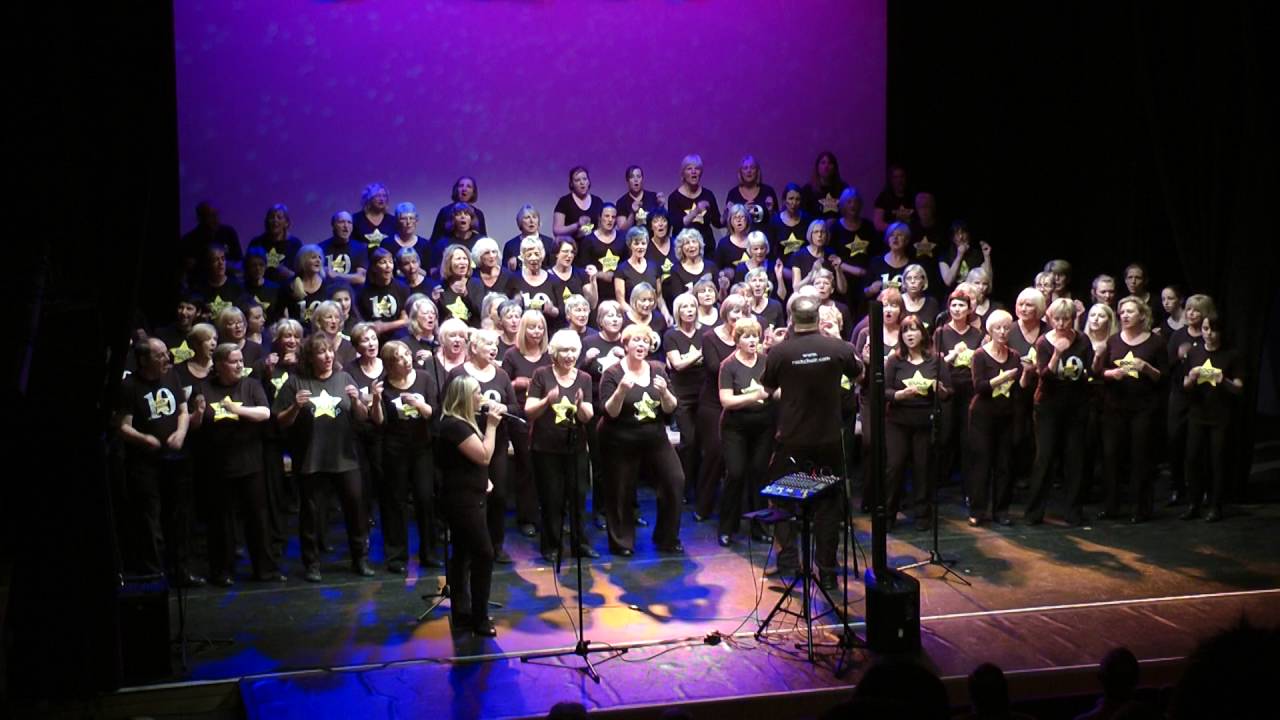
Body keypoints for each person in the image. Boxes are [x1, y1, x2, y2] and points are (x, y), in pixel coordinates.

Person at [760, 295, 862, 588]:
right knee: (828, 505)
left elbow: (768, 388)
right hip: (829, 438)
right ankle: (827, 571)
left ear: (791, 319)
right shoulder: (838, 348)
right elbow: (860, 375)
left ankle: (789, 562)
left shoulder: (780, 352)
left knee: (781, 497)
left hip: (792, 439)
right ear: (818, 318)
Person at [273, 333, 378, 582]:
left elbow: (362, 417)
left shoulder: (344, 378)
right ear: (310, 357)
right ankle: (311, 563)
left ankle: (360, 558)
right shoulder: (296, 382)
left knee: (355, 508)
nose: (328, 356)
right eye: (321, 352)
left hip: (345, 456)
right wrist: (296, 407)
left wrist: (356, 400)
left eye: (330, 351)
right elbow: (280, 420)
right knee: (310, 513)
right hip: (311, 458)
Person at [188, 343, 282, 585]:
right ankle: (222, 571)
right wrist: (197, 413)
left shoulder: (251, 385)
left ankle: (265, 569)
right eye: (233, 361)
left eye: (241, 360)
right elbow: (196, 426)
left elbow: (264, 413)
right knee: (221, 521)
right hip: (217, 466)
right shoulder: (204, 388)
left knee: (257, 520)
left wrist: (236, 409)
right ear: (219, 365)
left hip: (250, 463)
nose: (240, 365)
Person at [115, 337, 201, 586]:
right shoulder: (130, 386)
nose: (167, 359)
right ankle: (154, 571)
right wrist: (145, 440)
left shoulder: (172, 377)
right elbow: (122, 427)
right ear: (143, 360)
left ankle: (181, 571)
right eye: (160, 355)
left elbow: (183, 411)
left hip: (175, 461)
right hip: (145, 465)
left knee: (180, 517)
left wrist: (181, 433)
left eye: (166, 354)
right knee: (150, 519)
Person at [598, 324, 685, 555]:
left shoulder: (657, 369)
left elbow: (671, 408)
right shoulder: (613, 373)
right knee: (620, 491)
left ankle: (667, 538)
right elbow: (609, 413)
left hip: (654, 437)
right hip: (620, 440)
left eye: (645, 341)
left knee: (674, 480)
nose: (641, 345)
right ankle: (622, 542)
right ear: (625, 345)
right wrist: (621, 391)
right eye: (636, 340)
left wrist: (665, 392)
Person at [436, 375, 505, 637]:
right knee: (483, 553)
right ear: (464, 397)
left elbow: (467, 462)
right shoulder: (455, 426)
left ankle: (462, 613)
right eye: (477, 392)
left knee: (463, 554)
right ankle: (479, 618)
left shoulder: (463, 422)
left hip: (471, 494)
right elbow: (484, 455)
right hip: (461, 500)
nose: (482, 396)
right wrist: (493, 425)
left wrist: (482, 480)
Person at [449, 329, 521, 564]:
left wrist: (501, 410)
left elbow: (514, 407)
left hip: (496, 441)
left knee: (499, 494)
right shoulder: (458, 374)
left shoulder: (500, 374)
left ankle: (495, 545)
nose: (494, 349)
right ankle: (471, 545)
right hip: (467, 440)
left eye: (496, 345)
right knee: (473, 495)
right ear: (474, 347)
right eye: (488, 344)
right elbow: (448, 406)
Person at [526, 330, 596, 562]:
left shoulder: (584, 378)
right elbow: (529, 410)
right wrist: (547, 400)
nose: (569, 355)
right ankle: (551, 546)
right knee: (552, 499)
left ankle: (580, 545)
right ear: (554, 353)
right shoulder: (541, 375)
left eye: (573, 350)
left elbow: (588, 416)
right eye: (564, 350)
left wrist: (580, 405)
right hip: (546, 448)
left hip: (575, 447)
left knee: (578, 497)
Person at [1023, 298, 1094, 525]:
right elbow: (1044, 375)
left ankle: (1074, 511)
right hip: (1048, 407)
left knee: (1075, 459)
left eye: (1066, 319)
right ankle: (1034, 512)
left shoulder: (1082, 340)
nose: (1062, 324)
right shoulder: (1044, 342)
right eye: (1057, 319)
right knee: (1045, 458)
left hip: (1076, 406)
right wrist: (1056, 354)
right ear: (1050, 319)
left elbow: (1088, 371)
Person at [1096, 297, 1166, 523]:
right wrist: (1110, 374)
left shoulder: (1155, 343)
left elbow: (1163, 377)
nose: (1124, 316)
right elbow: (1100, 372)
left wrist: (1146, 368)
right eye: (1122, 312)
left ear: (1142, 316)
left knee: (1141, 457)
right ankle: (1112, 506)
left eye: (1130, 312)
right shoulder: (1114, 341)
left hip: (1143, 409)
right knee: (1111, 456)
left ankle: (1141, 508)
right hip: (1115, 407)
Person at [374, 339, 439, 571]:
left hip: (422, 448)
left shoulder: (424, 379)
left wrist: (417, 405)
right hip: (395, 451)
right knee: (396, 503)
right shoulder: (383, 386)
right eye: (400, 358)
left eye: (407, 355)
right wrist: (374, 399)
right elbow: (379, 421)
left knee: (424, 499)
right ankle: (396, 556)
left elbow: (433, 412)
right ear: (390, 365)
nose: (406, 360)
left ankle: (429, 552)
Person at [884, 315, 950, 531]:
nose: (910, 334)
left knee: (923, 468)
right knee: (895, 467)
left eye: (914, 330)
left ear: (923, 333)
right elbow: (883, 391)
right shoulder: (895, 360)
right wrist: (899, 395)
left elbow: (949, 392)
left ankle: (922, 514)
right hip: (898, 421)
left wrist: (941, 390)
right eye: (905, 331)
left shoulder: (936, 360)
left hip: (925, 421)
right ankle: (889, 514)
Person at [967, 310, 1031, 526]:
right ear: (990, 330)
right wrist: (1001, 378)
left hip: (1006, 415)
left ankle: (1001, 510)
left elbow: (1019, 389)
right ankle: (977, 510)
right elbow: (980, 387)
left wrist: (1026, 374)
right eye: (998, 328)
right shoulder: (980, 355)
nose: (1003, 332)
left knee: (1005, 464)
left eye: (1006, 328)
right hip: (983, 416)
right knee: (982, 463)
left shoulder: (1013, 355)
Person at [716, 317, 775, 546]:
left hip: (763, 426)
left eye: (754, 335)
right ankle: (727, 528)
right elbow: (726, 400)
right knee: (736, 473)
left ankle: (759, 526)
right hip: (735, 428)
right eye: (746, 336)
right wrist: (756, 395)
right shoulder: (728, 365)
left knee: (759, 473)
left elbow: (774, 391)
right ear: (737, 340)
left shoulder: (766, 361)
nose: (752, 340)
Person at [1181, 315, 1242, 522]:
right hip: (1198, 413)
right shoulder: (1195, 352)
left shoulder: (1232, 355)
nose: (1209, 333)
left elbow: (1238, 387)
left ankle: (1216, 505)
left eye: (1213, 330)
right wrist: (1191, 377)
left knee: (1217, 460)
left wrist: (1221, 378)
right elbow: (1185, 385)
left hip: (1220, 415)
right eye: (1206, 329)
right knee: (1193, 458)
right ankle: (1193, 503)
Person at [694, 294, 749, 517]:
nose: (740, 316)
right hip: (714, 404)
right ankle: (703, 506)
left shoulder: (750, 336)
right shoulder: (709, 337)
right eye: (735, 312)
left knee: (742, 461)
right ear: (726, 313)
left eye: (744, 312)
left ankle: (739, 509)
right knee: (715, 454)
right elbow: (715, 368)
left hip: (743, 404)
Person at [502, 309, 552, 538]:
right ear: (523, 329)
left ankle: (550, 515)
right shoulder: (512, 355)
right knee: (527, 467)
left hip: (548, 417)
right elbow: (503, 388)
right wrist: (517, 383)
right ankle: (527, 517)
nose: (537, 332)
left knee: (548, 468)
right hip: (521, 417)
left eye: (540, 327)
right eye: (532, 327)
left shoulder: (550, 355)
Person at [1165, 293, 1215, 505]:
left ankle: (1202, 489)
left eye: (1197, 310)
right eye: (1189, 309)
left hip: (1203, 398)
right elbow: (1167, 366)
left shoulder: (1209, 336)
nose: (1192, 313)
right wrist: (1179, 356)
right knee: (1175, 441)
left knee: (1199, 447)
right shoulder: (1178, 335)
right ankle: (1178, 487)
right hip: (1179, 395)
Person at [664, 293, 705, 503]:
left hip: (703, 393)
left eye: (692, 306)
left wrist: (691, 356)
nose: (689, 310)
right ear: (677, 311)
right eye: (684, 307)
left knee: (703, 443)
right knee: (689, 441)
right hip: (681, 395)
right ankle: (683, 486)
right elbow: (677, 364)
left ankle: (700, 488)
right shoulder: (671, 336)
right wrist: (699, 352)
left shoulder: (704, 333)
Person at [668, 154, 722, 257]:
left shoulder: (708, 195)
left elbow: (717, 222)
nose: (693, 172)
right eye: (689, 169)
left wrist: (729, 213)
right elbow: (677, 224)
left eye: (697, 169)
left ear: (701, 172)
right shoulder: (674, 197)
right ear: (683, 173)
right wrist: (696, 211)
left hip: (706, 250)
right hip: (684, 251)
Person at [180, 200, 241, 281]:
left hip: (228, 283)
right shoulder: (189, 240)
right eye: (210, 215)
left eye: (216, 214)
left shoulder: (229, 233)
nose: (215, 219)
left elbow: (239, 261)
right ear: (200, 218)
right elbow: (187, 269)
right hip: (201, 286)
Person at [357, 248, 410, 339]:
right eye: (383, 262)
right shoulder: (363, 292)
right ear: (374, 267)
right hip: (372, 338)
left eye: (390, 262)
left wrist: (384, 327)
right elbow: (361, 323)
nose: (388, 266)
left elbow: (406, 321)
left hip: (398, 339)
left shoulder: (402, 288)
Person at [247, 203, 303, 285]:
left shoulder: (295, 244)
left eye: (279, 217)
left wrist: (288, 274)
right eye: (271, 217)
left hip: (287, 289)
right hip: (261, 289)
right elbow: (247, 269)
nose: (275, 220)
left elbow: (302, 274)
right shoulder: (256, 243)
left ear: (286, 223)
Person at [724, 154, 778, 230]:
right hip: (741, 239)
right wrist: (743, 210)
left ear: (757, 171)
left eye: (752, 168)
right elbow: (726, 222)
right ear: (741, 172)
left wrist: (770, 210)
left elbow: (777, 221)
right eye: (745, 168)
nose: (749, 171)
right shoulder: (733, 194)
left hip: (764, 238)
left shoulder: (768, 192)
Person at [553, 166, 605, 241]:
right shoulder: (564, 202)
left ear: (589, 182)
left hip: (593, 248)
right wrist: (577, 225)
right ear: (571, 184)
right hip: (572, 249)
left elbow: (602, 228)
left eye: (585, 179)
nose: (582, 182)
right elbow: (556, 230)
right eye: (577, 180)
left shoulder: (598, 201)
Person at [429, 176, 488, 241]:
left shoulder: (478, 214)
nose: (464, 189)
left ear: (473, 192)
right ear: (456, 190)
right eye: (461, 186)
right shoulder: (445, 211)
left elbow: (484, 240)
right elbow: (435, 239)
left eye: (468, 186)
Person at [504, 203, 558, 271]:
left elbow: (554, 269)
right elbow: (505, 273)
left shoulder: (549, 242)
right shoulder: (510, 245)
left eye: (534, 217)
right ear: (520, 222)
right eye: (527, 217)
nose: (531, 221)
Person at [320, 210, 367, 287]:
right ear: (333, 225)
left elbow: (361, 278)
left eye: (349, 222)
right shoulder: (321, 248)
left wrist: (334, 275)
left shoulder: (360, 248)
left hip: (352, 295)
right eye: (341, 222)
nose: (346, 226)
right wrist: (350, 277)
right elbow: (320, 276)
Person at [865, 222, 913, 297]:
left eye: (899, 235)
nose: (895, 238)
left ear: (906, 240)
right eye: (892, 235)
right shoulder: (876, 262)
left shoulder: (912, 267)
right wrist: (871, 289)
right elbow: (864, 292)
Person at [801, 151, 849, 220]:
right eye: (823, 163)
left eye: (830, 163)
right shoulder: (808, 190)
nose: (826, 166)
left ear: (835, 167)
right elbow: (804, 215)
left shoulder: (843, 189)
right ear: (817, 167)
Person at [615, 165, 663, 231]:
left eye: (638, 176)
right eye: (632, 177)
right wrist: (632, 213)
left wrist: (661, 206)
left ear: (642, 179)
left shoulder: (653, 197)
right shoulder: (621, 202)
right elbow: (622, 229)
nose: (636, 180)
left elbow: (662, 223)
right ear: (627, 181)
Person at [354, 182, 396, 254]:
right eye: (378, 196)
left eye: (384, 196)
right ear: (369, 198)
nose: (382, 199)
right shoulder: (356, 220)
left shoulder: (393, 221)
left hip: (387, 263)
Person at [770, 183, 809, 258]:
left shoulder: (807, 219)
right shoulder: (775, 220)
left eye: (797, 199)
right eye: (791, 198)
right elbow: (771, 248)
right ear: (784, 200)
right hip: (781, 266)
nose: (794, 203)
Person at [873, 164, 915, 232]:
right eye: (896, 177)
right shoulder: (883, 198)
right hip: (891, 238)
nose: (899, 180)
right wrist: (897, 230)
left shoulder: (913, 196)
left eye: (902, 176)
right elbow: (878, 224)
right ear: (891, 180)